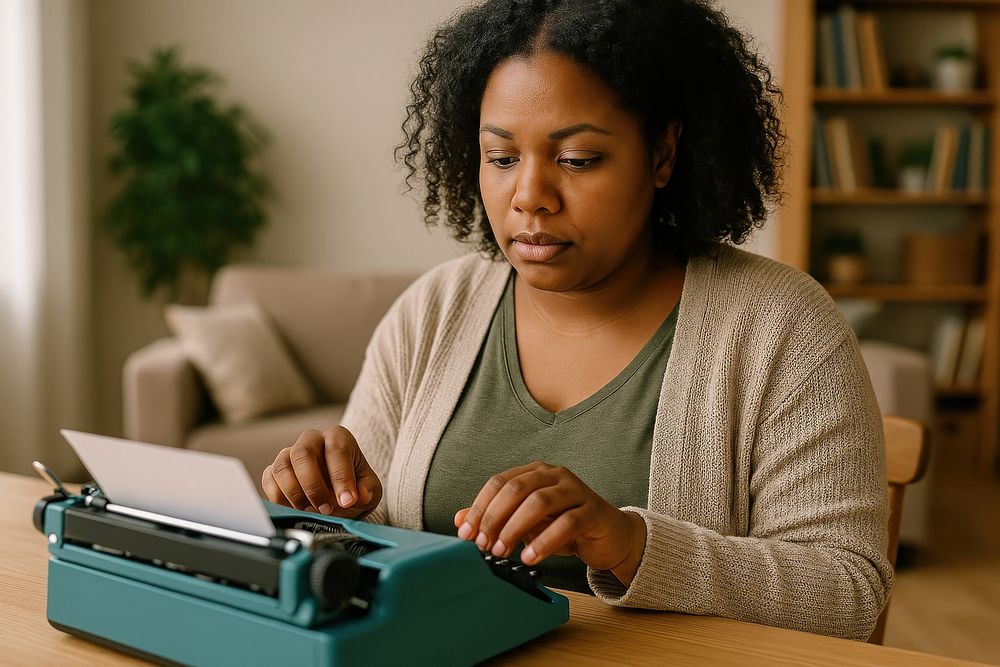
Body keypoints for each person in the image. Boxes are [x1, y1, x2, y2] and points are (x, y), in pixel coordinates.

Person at [262, 0, 891, 641]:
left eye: (578, 158)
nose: (530, 196)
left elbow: (848, 594)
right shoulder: (434, 309)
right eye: (501, 157)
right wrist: (329, 509)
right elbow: (363, 544)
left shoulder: (781, 325)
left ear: (663, 155)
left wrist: (629, 543)